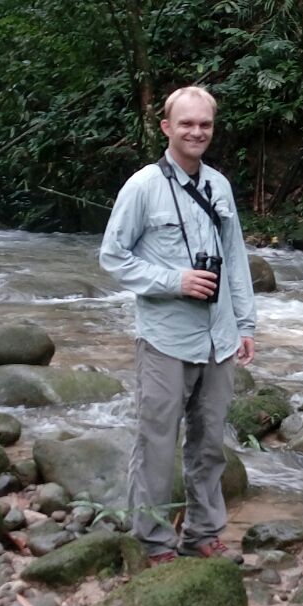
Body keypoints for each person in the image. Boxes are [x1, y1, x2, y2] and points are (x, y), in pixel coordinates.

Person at [99, 85, 256, 564]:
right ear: (166, 127)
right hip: (165, 338)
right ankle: (153, 541)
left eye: (204, 124)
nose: (196, 132)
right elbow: (112, 257)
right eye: (186, 123)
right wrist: (175, 280)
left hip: (218, 338)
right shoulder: (142, 186)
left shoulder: (219, 186)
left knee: (209, 444)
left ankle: (203, 533)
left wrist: (246, 324)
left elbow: (235, 258)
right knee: (157, 444)